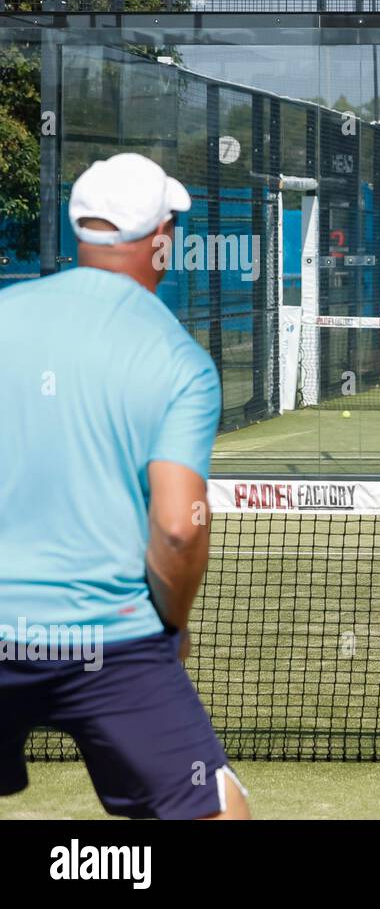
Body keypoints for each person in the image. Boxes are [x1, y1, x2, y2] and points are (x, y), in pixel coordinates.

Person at [0, 153, 249, 818]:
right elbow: (178, 525)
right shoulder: (177, 360)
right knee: (217, 810)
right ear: (161, 238)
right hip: (112, 641)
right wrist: (173, 625)